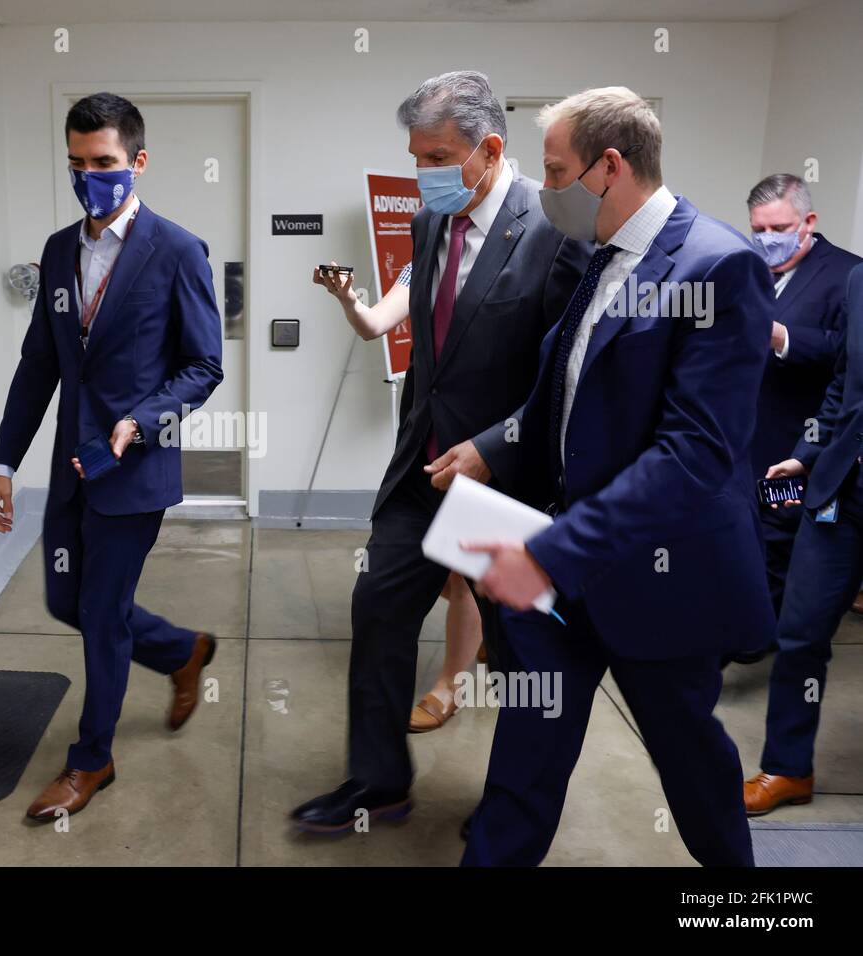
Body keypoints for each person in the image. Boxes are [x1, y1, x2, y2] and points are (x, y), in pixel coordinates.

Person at [461, 87, 775, 866]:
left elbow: (695, 454)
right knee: (523, 763)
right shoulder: (595, 253)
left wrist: (548, 553)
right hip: (562, 573)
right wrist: (492, 448)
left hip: (660, 576)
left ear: (609, 166)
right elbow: (563, 391)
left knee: (692, 768)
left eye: (555, 170)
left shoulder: (718, 264)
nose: (545, 190)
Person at [291, 71, 586, 833]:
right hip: (421, 469)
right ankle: (379, 782)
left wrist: (496, 446)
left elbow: (568, 376)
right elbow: (419, 338)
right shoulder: (429, 224)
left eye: (434, 158)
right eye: (413, 157)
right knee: (378, 610)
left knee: (518, 657)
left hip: (504, 488)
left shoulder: (555, 229)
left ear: (489, 151)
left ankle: (512, 809)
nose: (419, 173)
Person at [0, 92, 223, 820]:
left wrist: (142, 424)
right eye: (77, 164)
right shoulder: (59, 252)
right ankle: (181, 650)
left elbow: (203, 365)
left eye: (106, 163)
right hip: (69, 466)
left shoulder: (178, 251)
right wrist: (3, 463)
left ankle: (92, 760)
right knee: (68, 601)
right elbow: (39, 367)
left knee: (100, 606)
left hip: (133, 469)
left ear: (138, 162)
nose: (92, 177)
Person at [314, 261, 484, 732]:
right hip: (424, 442)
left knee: (462, 567)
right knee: (431, 572)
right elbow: (374, 324)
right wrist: (349, 299)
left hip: (481, 441)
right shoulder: (424, 260)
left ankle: (451, 683)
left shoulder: (521, 247)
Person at [745, 263, 863, 816]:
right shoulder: (860, 282)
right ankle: (787, 769)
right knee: (800, 633)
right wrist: (808, 454)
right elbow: (845, 385)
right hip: (842, 490)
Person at [741, 174, 862, 637]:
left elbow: (848, 358)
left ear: (808, 221)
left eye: (778, 228)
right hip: (744, 434)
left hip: (802, 438)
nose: (767, 240)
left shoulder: (847, 274)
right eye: (759, 229)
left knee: (778, 536)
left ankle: (757, 638)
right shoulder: (746, 264)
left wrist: (782, 337)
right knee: (745, 535)